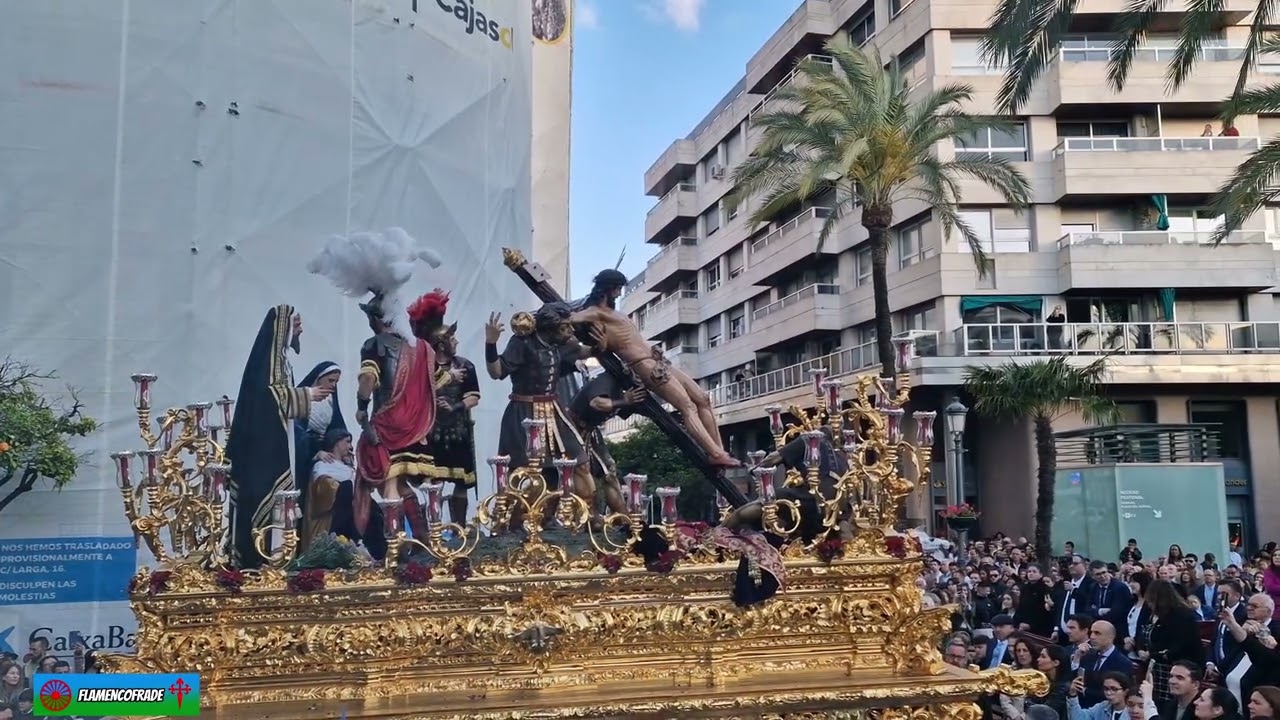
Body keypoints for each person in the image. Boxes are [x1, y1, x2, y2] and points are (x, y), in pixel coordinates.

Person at [569, 269, 737, 466]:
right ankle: (715, 454)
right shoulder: (594, 312)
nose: (620, 292)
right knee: (687, 406)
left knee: (703, 399)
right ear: (608, 288)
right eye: (618, 287)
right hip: (644, 365)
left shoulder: (614, 313)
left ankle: (718, 451)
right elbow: (569, 319)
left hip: (657, 359)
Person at [227, 306, 327, 568]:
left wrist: (303, 395)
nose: (301, 330)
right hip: (264, 454)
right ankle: (259, 565)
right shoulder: (269, 363)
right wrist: (307, 395)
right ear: (281, 330)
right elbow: (267, 398)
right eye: (296, 325)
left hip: (283, 442)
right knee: (266, 506)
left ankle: (278, 564)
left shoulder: (281, 362)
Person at [354, 291, 456, 539]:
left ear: (377, 319)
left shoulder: (374, 343)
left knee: (389, 482)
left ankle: (396, 545)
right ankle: (424, 537)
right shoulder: (422, 347)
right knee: (401, 483)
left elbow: (368, 378)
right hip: (418, 428)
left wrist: (361, 407)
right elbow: (439, 379)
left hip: (388, 425)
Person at [486, 303, 595, 510]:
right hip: (523, 414)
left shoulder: (561, 344)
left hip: (554, 411)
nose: (570, 331)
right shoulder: (522, 342)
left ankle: (577, 515)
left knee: (578, 461)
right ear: (550, 328)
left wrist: (609, 341)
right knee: (519, 469)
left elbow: (585, 351)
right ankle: (511, 518)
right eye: (565, 327)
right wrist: (490, 344)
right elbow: (497, 371)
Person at [415, 291, 481, 525]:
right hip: (431, 432)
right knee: (432, 481)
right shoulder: (423, 367)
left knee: (461, 482)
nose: (456, 342)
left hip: (458, 430)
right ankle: (433, 529)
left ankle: (459, 529)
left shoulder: (465, 365)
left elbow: (474, 396)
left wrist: (455, 407)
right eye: (452, 339)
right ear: (442, 343)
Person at [566, 370, 648, 517]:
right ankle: (589, 515)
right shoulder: (607, 380)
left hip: (590, 430)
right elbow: (596, 402)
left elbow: (636, 409)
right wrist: (624, 401)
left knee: (609, 471)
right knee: (582, 469)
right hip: (571, 428)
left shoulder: (624, 388)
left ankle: (621, 516)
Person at [294, 361, 346, 548]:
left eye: (336, 382)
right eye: (330, 380)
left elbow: (337, 427)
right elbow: (296, 431)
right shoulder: (303, 397)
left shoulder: (332, 400)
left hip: (327, 451)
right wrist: (316, 453)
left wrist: (344, 448)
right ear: (318, 378)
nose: (333, 385)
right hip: (306, 455)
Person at [1146, 579, 1205, 705]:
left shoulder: (1181, 614)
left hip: (1182, 664)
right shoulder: (1164, 615)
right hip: (1165, 664)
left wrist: (1163, 654)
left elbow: (1184, 643)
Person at [1066, 670, 1132, 720]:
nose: (1109, 693)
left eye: (1114, 689)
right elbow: (1078, 718)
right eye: (1106, 689)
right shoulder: (1102, 707)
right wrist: (1073, 695)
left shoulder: (1133, 712)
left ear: (1125, 691)